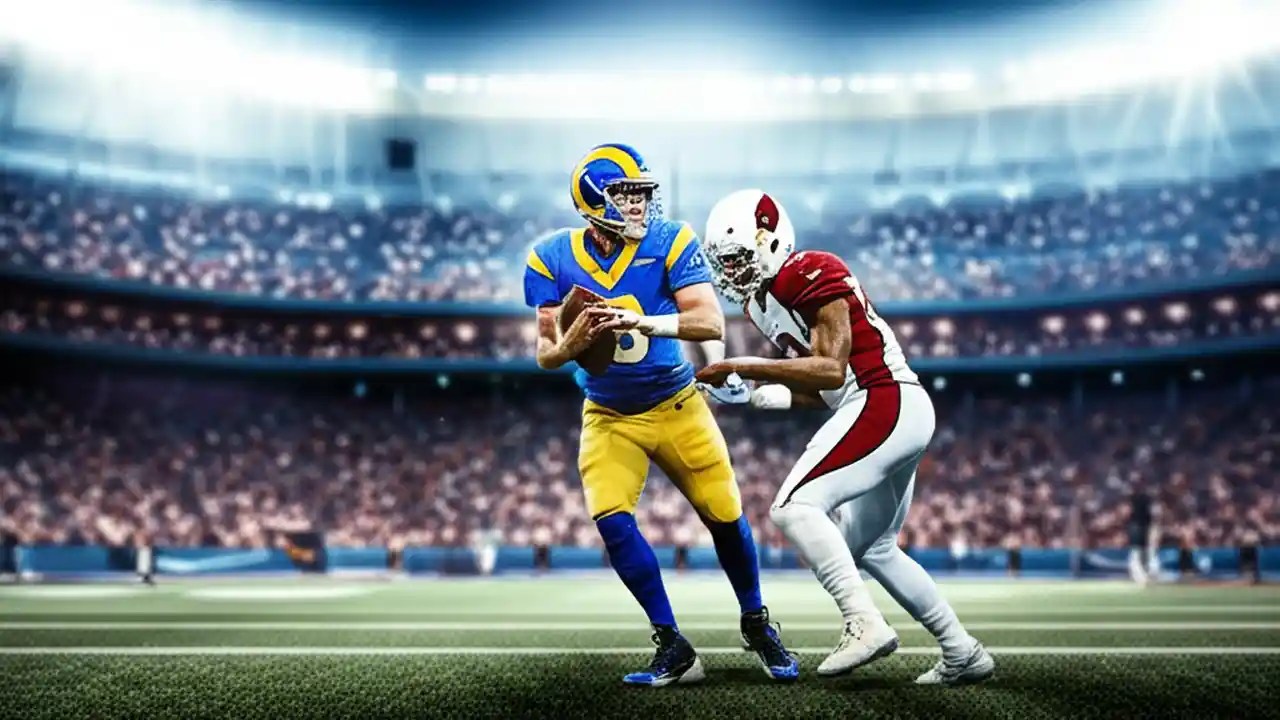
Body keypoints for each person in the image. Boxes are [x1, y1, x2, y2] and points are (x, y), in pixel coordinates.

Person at [695, 188, 994, 686]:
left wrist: (743, 365)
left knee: (792, 505)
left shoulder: (807, 269)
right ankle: (962, 650)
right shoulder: (761, 304)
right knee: (872, 548)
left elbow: (833, 370)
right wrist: (768, 395)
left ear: (771, 242)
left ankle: (864, 623)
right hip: (882, 405)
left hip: (885, 397)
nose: (733, 272)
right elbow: (823, 387)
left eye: (740, 258)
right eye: (725, 263)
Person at [522, 147, 797, 687]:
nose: (639, 205)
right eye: (626, 196)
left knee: (724, 514)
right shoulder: (549, 257)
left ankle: (756, 621)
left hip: (676, 402)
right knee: (611, 519)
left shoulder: (671, 239)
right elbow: (546, 353)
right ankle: (672, 643)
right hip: (607, 413)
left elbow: (708, 322)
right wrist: (572, 342)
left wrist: (642, 321)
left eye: (643, 194)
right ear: (593, 201)